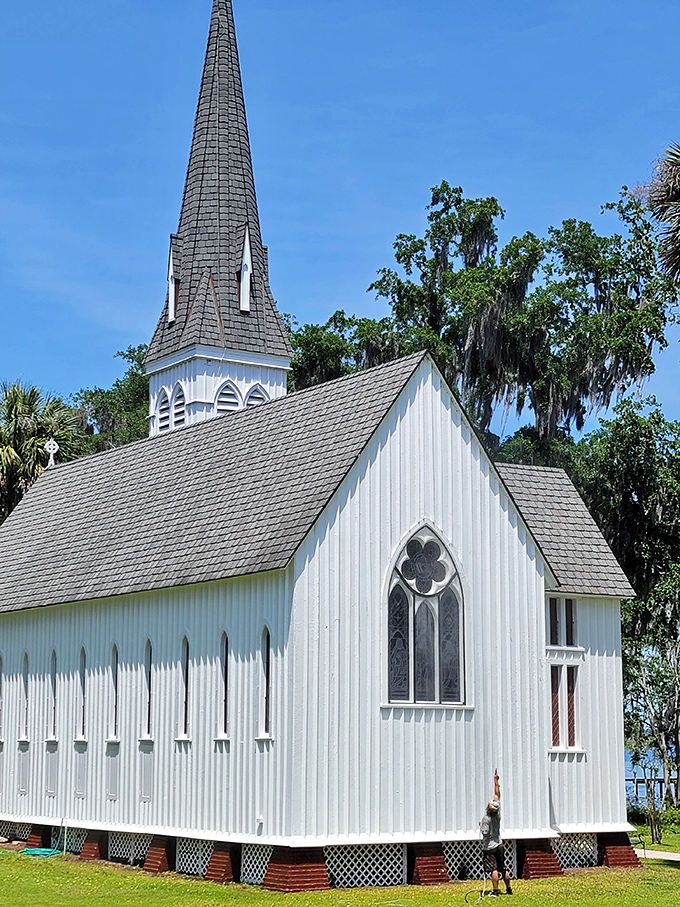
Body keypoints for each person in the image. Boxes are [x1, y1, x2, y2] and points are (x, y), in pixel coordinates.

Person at [479, 770, 513, 896]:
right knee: (503, 868)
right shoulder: (497, 814)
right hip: (499, 844)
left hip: (489, 847)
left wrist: (481, 826)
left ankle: (495, 891)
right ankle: (509, 889)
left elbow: (485, 834)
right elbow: (497, 795)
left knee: (493, 870)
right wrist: (496, 781)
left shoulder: (486, 818)